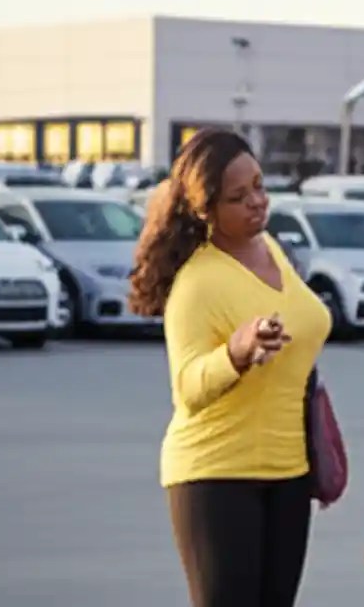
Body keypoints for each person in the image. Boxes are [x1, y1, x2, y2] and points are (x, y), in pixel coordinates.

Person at [128, 127, 332, 607]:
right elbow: (187, 388)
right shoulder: (198, 281)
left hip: (288, 471)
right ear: (207, 210)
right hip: (215, 475)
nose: (257, 202)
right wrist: (236, 354)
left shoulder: (272, 250)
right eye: (238, 197)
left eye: (259, 185)